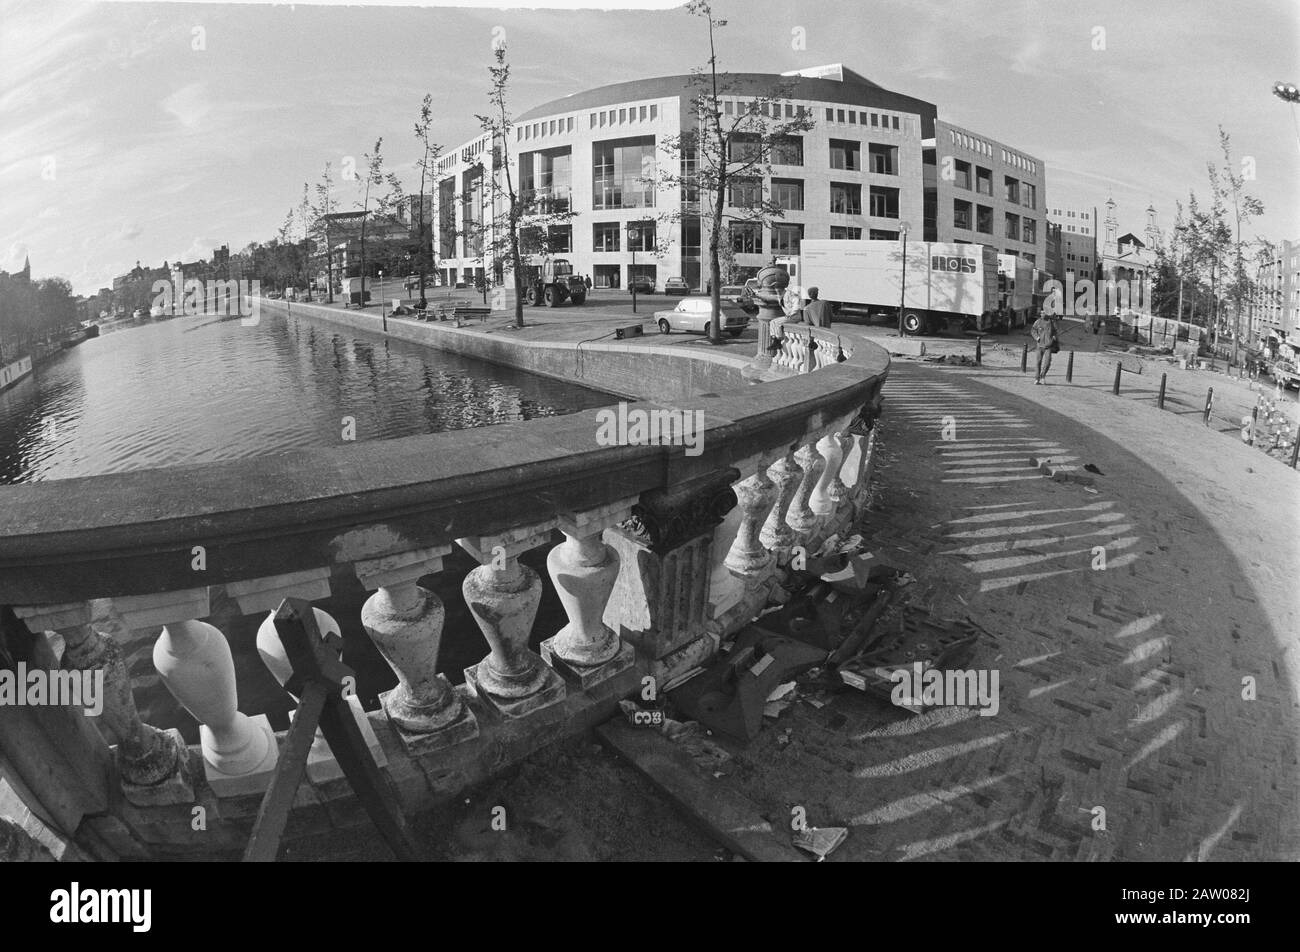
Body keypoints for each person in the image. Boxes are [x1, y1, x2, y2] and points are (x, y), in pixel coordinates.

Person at [1031, 311, 1060, 384]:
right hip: (1039, 346)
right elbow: (1033, 330)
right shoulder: (1038, 322)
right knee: (1038, 362)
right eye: (1041, 313)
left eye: (1043, 313)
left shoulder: (1052, 322)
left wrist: (1054, 337)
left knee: (1047, 363)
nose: (1042, 314)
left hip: (1048, 346)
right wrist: (1037, 337)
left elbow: (1056, 331)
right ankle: (1037, 379)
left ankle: (1042, 376)